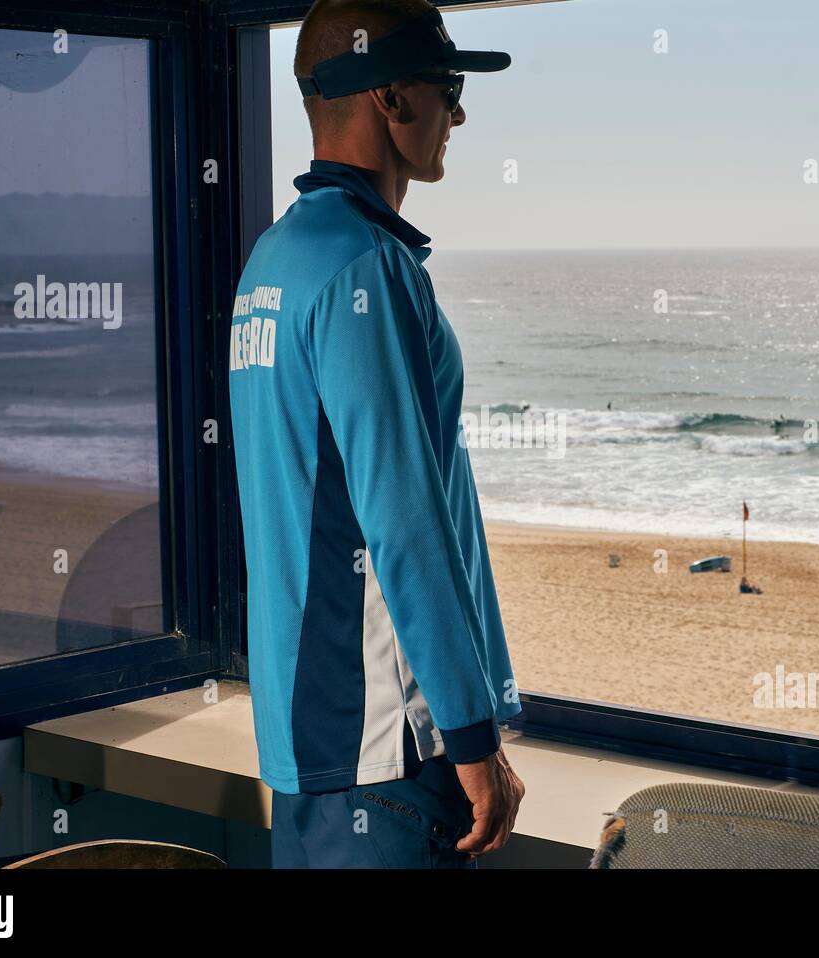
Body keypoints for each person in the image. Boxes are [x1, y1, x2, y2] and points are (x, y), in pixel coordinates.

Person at [228, 0, 524, 868]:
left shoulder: (273, 262)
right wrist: (472, 738)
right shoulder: (368, 268)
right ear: (391, 99)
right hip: (388, 751)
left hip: (306, 744)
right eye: (448, 86)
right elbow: (404, 525)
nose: (458, 114)